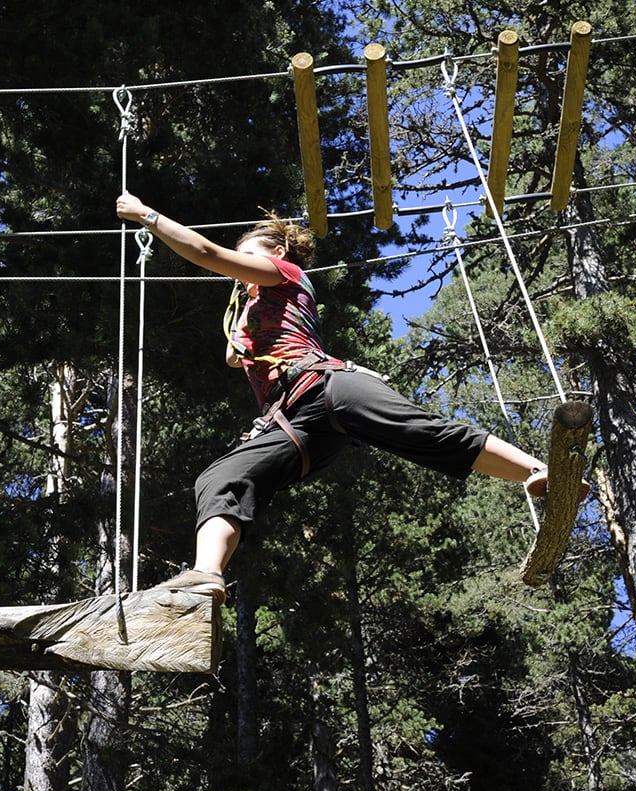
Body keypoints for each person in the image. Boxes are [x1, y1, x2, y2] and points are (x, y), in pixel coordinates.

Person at [116, 192, 549, 605]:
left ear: (277, 255)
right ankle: (206, 576)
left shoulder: (285, 275)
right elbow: (234, 355)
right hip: (291, 418)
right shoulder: (254, 305)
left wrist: (146, 215)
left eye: (249, 258)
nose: (242, 269)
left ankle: (536, 471)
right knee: (220, 476)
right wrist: (243, 304)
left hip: (327, 385)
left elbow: (208, 254)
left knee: (422, 432)